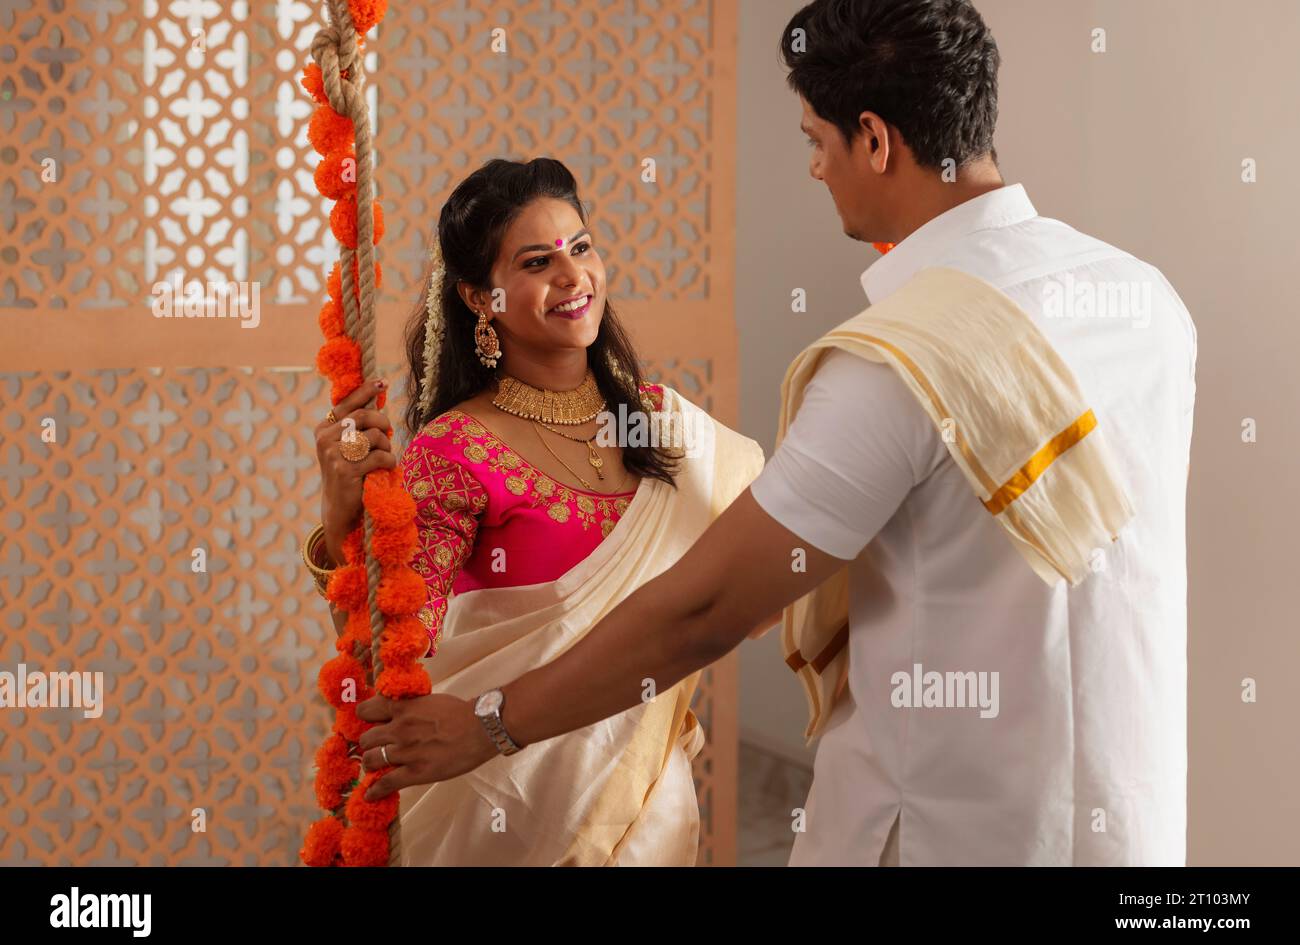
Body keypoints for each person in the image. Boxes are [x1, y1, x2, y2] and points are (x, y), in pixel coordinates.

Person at [353, 0, 1197, 867]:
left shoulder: (896, 359)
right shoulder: (1144, 299)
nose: (814, 170)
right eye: (536, 261)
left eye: (815, 141)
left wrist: (491, 722)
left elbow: (709, 608)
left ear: (874, 139)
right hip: (1127, 822)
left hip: (949, 824)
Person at [308, 157, 764, 865]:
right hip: (507, 816)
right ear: (480, 298)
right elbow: (388, 662)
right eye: (536, 262)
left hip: (644, 808)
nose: (573, 276)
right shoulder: (456, 449)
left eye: (581, 248)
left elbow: (763, 584)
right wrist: (339, 527)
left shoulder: (666, 425)